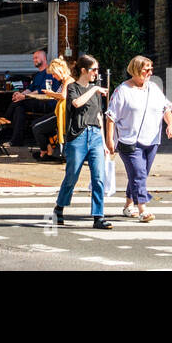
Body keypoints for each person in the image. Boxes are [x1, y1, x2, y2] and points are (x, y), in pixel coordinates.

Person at [105, 55, 172, 223]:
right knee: (139, 173)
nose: (150, 72)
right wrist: (109, 140)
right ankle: (143, 208)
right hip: (129, 141)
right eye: (146, 69)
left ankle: (128, 205)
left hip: (151, 140)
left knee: (137, 176)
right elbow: (111, 117)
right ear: (136, 70)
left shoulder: (154, 88)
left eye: (151, 69)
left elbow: (165, 108)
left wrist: (170, 124)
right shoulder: (123, 90)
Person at [52, 54, 112, 230]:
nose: (96, 73)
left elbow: (99, 117)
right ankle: (59, 208)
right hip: (77, 137)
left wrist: (104, 142)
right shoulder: (72, 87)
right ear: (84, 70)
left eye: (97, 70)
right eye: (94, 70)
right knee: (72, 175)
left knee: (99, 177)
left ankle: (98, 216)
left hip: (94, 136)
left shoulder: (95, 91)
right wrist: (94, 90)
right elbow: (77, 103)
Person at [8, 48, 61, 146]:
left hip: (47, 103)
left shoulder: (49, 72)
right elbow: (31, 88)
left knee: (19, 102)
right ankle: (16, 140)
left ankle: (5, 119)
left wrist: (24, 96)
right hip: (36, 102)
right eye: (33, 58)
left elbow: (43, 90)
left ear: (44, 58)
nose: (34, 60)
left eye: (36, 58)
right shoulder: (37, 75)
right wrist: (21, 94)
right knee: (19, 109)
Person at [31, 56, 73, 161]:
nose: (53, 77)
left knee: (37, 127)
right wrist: (52, 94)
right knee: (35, 125)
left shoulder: (69, 80)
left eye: (54, 74)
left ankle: (45, 151)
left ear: (59, 71)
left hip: (63, 115)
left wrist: (51, 94)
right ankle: (48, 150)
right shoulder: (64, 81)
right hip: (58, 112)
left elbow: (63, 96)